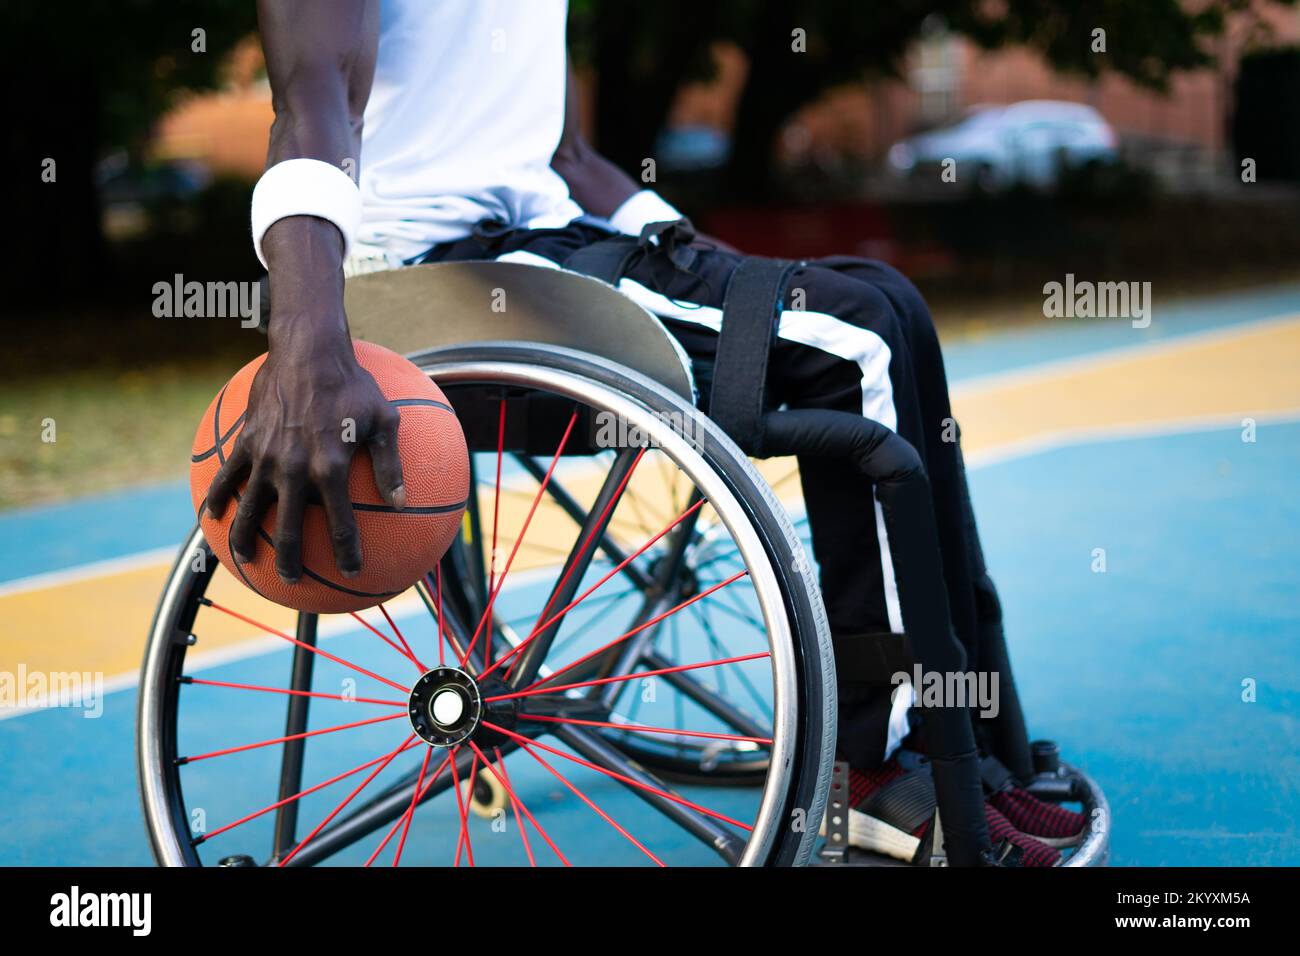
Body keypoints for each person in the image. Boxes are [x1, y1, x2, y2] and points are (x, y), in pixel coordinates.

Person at [207, 0, 1085, 865]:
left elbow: (566, 155)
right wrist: (306, 339)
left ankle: (965, 736)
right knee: (851, 345)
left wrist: (694, 249)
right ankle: (874, 768)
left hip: (545, 241)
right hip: (437, 281)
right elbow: (311, 98)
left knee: (887, 306)